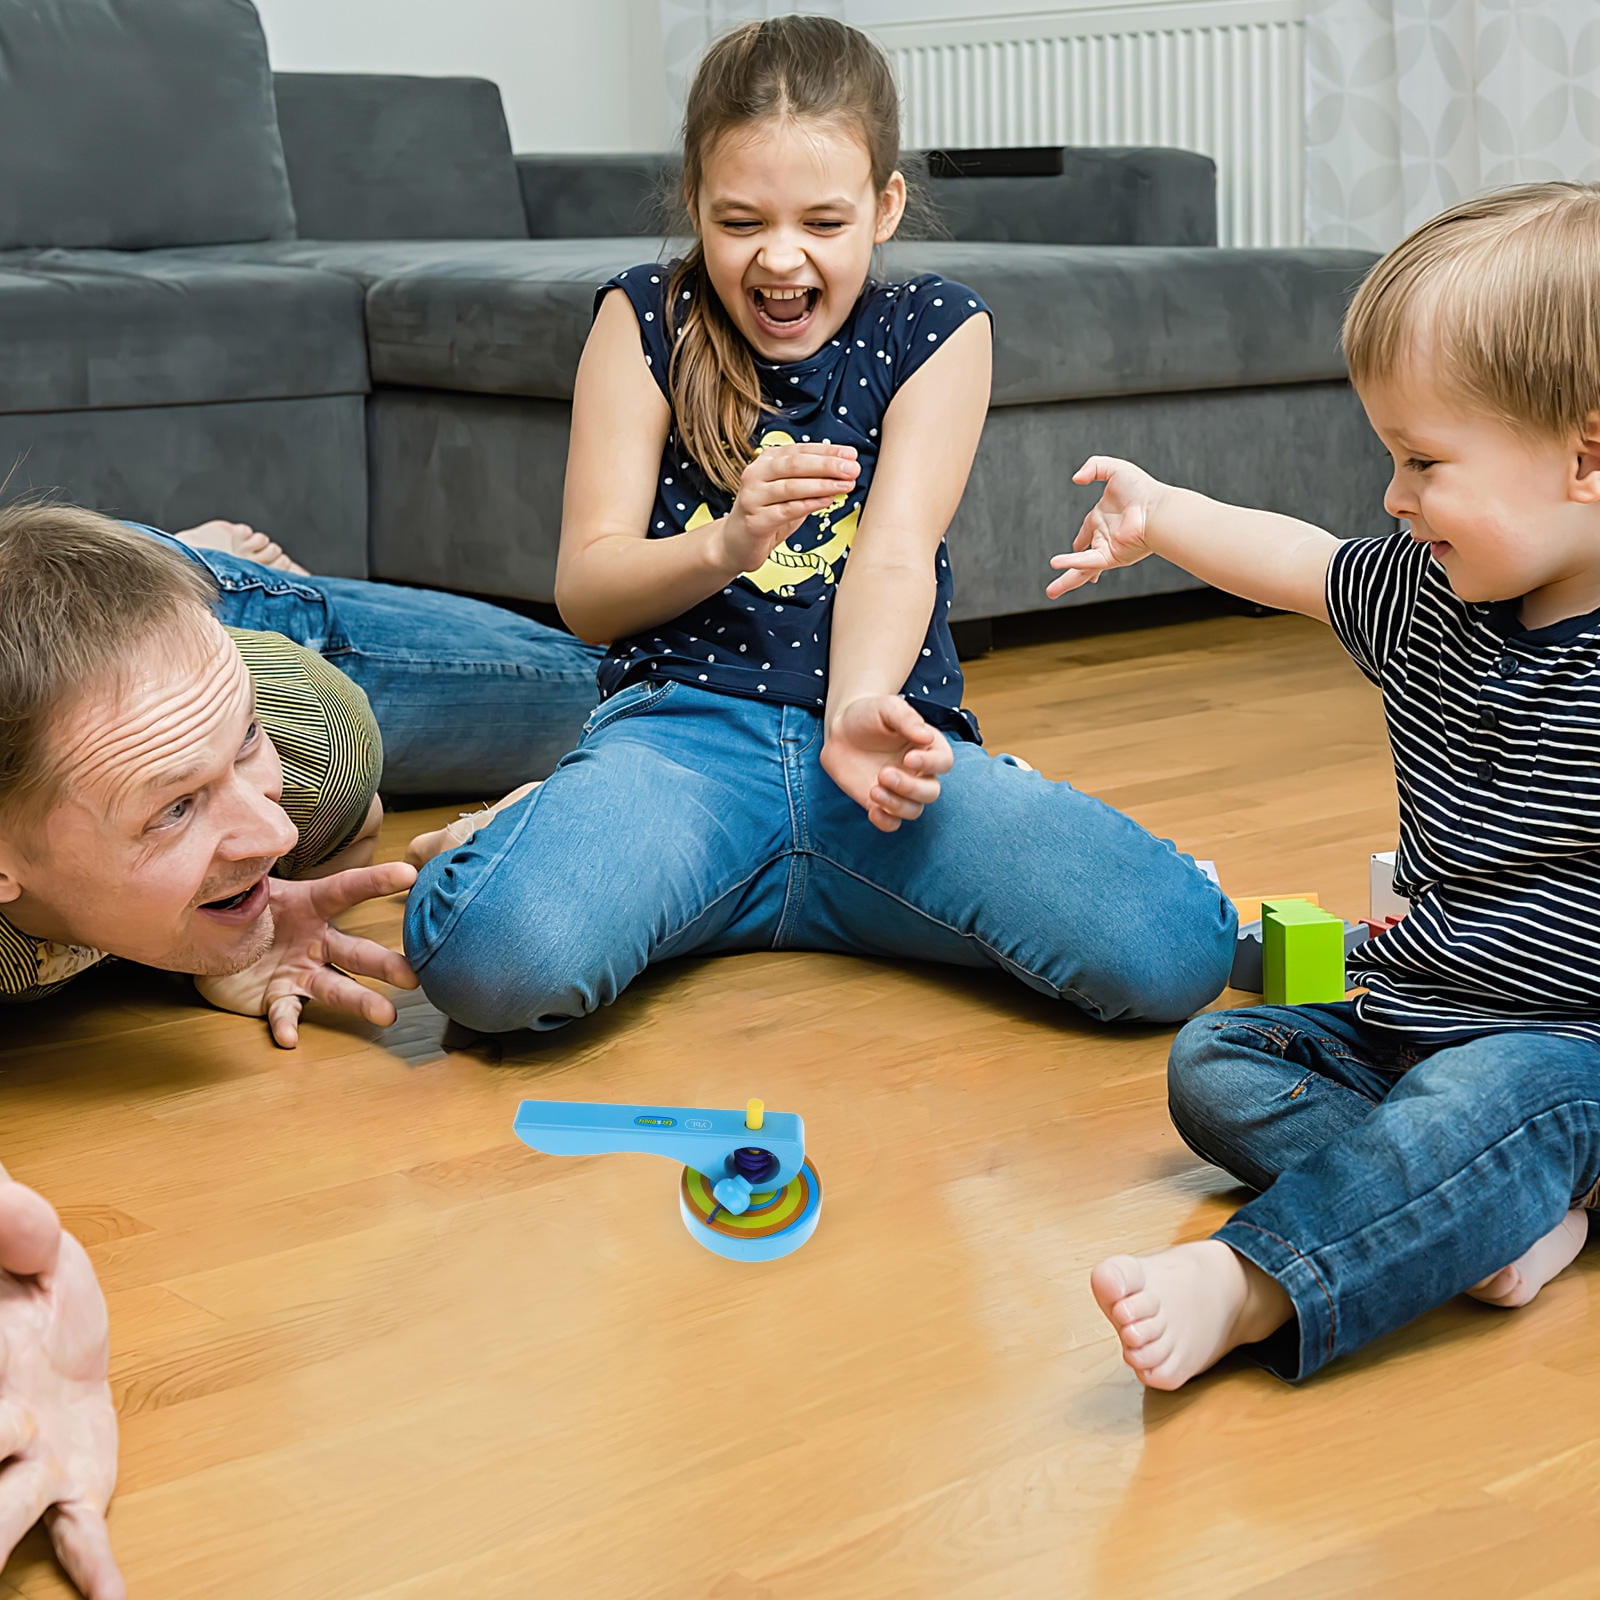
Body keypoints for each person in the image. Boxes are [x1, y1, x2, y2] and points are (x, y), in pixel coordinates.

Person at [404, 15, 1235, 1032]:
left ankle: (709, 880)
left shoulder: (934, 327)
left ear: (884, 207)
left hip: (874, 759)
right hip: (681, 744)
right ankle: (559, 824)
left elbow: (891, 555)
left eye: (823, 223)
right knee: (486, 960)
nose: (781, 258)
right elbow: (587, 591)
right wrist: (725, 544)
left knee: (1173, 946)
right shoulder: (641, 319)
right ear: (694, 204)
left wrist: (858, 713)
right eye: (741, 221)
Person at [1067, 182, 1600, 1388]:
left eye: (1422, 461)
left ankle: (1253, 1283)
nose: (1393, 498)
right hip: (1416, 1019)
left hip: (1571, 1057)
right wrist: (1161, 515)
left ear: (1585, 457)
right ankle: (1477, 1208)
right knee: (1218, 1066)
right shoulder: (1425, 597)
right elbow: (1299, 560)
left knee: (1502, 1085)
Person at [0, 504, 449, 1596]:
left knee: (594, 680)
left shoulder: (309, 738)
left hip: (241, 620)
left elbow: (319, 805)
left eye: (241, 755)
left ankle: (189, 555)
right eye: (172, 810)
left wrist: (238, 913)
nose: (275, 834)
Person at [127, 520, 606, 799]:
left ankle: (180, 568)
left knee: (613, 679)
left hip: (178, 605)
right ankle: (169, 562)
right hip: (173, 600)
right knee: (617, 689)